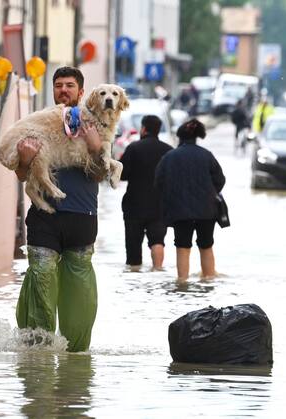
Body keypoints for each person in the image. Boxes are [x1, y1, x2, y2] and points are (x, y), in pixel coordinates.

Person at [13, 66, 107, 352]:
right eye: (58, 85)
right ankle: (38, 350)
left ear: (81, 92)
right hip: (44, 217)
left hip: (82, 218)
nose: (63, 90)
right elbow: (20, 175)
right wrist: (25, 159)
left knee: (78, 290)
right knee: (41, 277)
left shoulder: (95, 125)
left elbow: (101, 175)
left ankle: (76, 355)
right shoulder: (39, 124)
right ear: (52, 90)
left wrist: (94, 148)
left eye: (69, 85)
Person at [155, 119, 226, 282]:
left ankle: (182, 282)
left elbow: (159, 183)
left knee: (183, 247)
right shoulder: (206, 155)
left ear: (179, 137)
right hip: (207, 211)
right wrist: (208, 194)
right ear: (197, 137)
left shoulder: (169, 157)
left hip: (180, 211)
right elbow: (220, 180)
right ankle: (209, 280)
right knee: (206, 246)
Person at [119, 115, 173, 272]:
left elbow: (122, 175)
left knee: (133, 248)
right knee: (157, 241)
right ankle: (158, 270)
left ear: (143, 129)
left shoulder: (133, 148)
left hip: (134, 206)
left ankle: (135, 274)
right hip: (159, 206)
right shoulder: (168, 150)